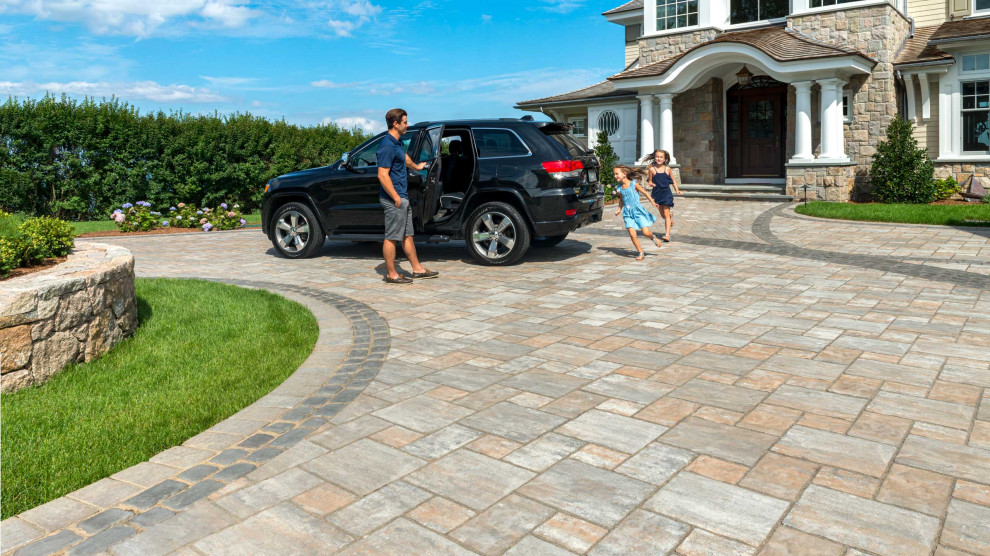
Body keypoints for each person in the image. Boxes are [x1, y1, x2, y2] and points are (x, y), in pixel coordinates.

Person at [377, 108, 439, 284]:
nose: (407, 124)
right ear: (395, 124)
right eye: (405, 122)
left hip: (401, 197)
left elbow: (404, 158)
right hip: (394, 199)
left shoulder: (396, 143)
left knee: (407, 235)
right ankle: (391, 274)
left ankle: (417, 269)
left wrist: (416, 167)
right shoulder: (387, 146)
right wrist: (396, 198)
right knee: (392, 237)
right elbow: (382, 175)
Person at [613, 165, 662, 260]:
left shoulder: (633, 184)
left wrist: (653, 203)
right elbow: (622, 199)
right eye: (614, 174)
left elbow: (646, 193)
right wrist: (619, 209)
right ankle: (640, 252)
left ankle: (653, 237)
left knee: (646, 233)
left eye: (616, 174)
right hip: (627, 213)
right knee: (632, 234)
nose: (615, 176)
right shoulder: (619, 188)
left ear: (624, 174)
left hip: (638, 211)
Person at [641, 149, 682, 242]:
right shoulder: (652, 169)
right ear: (655, 158)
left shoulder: (668, 169)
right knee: (663, 215)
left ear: (664, 159)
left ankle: (667, 235)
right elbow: (650, 180)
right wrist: (651, 183)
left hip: (667, 193)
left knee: (666, 214)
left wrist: (677, 190)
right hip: (657, 194)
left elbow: (673, 181)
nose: (658, 158)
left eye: (661, 157)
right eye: (657, 157)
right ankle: (669, 217)